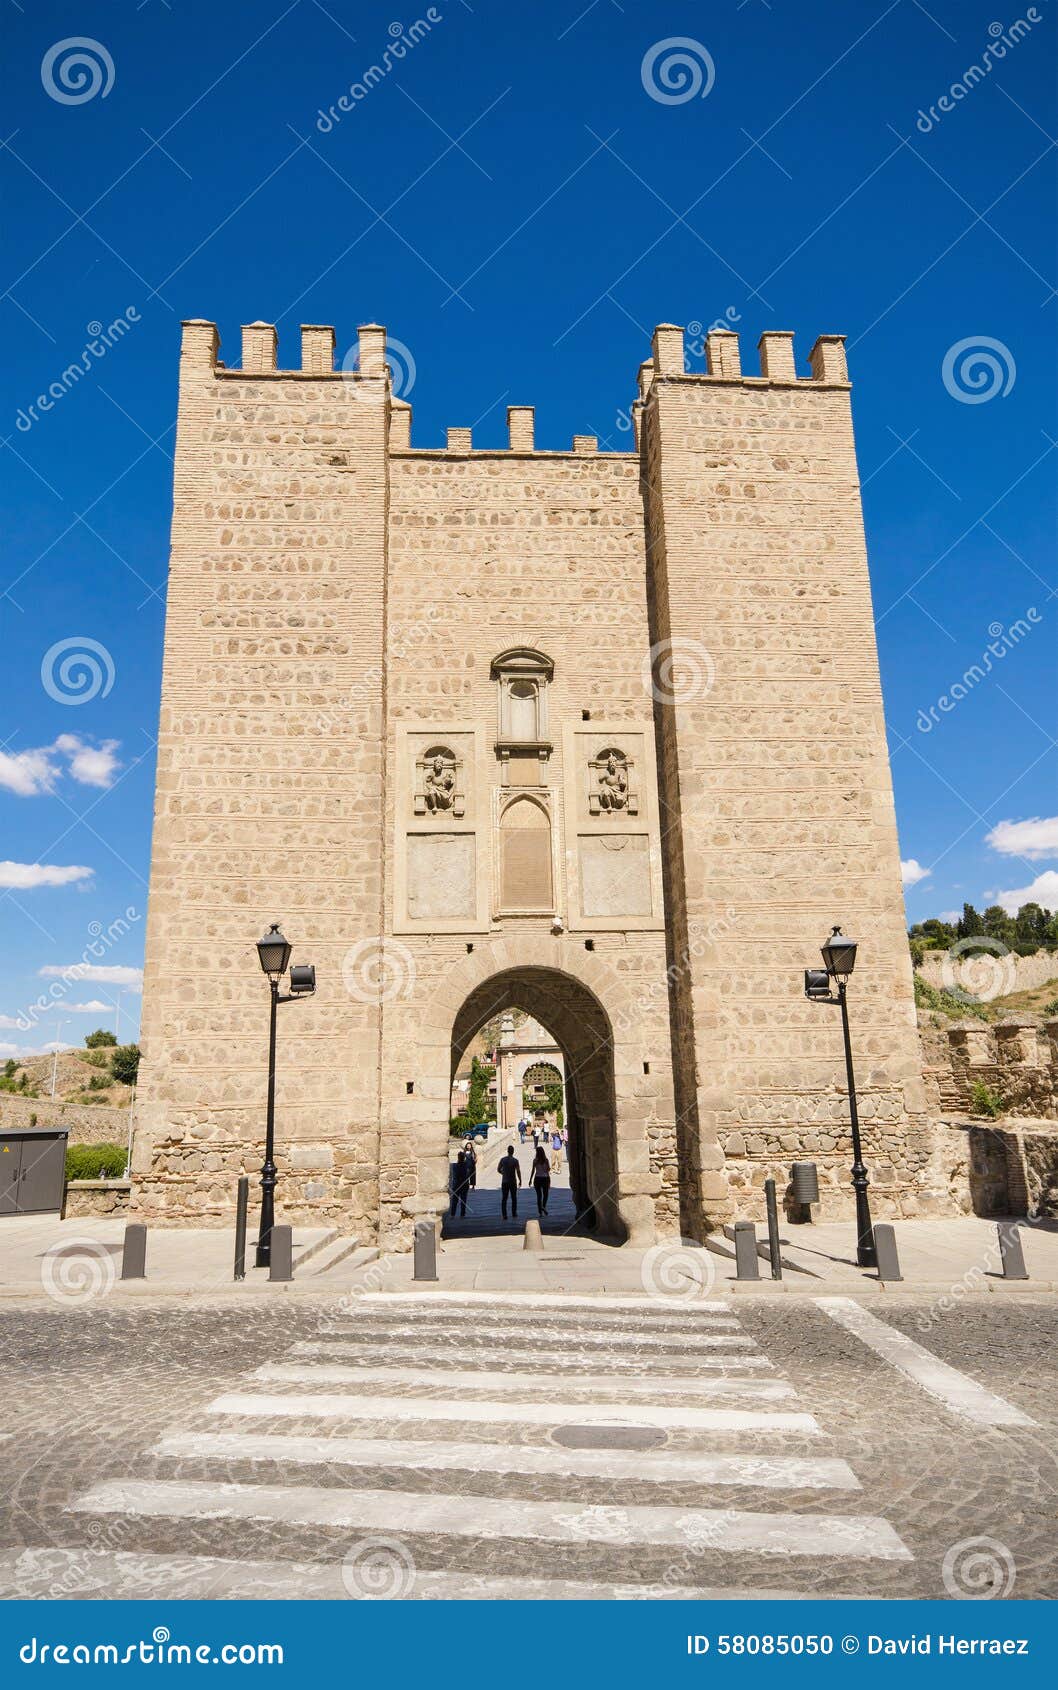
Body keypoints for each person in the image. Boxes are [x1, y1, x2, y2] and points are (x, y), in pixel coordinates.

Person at [497, 1143, 522, 1219]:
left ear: (507, 1151)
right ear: (513, 1151)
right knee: (514, 1198)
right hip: (512, 1181)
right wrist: (520, 1180)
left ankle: (504, 1215)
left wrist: (503, 1173)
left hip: (504, 1181)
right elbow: (518, 1171)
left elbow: (498, 1169)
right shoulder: (515, 1161)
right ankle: (514, 1213)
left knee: (504, 1198)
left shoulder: (503, 1159)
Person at [530, 1144, 551, 1216]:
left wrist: (530, 1179)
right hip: (545, 1178)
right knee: (546, 1195)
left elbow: (533, 1170)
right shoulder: (546, 1160)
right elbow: (548, 1170)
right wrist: (549, 1181)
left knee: (539, 1196)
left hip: (537, 1178)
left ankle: (540, 1212)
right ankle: (543, 1207)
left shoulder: (535, 1160)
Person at [449, 1149, 471, 1218]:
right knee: (463, 1200)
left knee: (455, 1201)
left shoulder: (454, 1166)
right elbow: (470, 1162)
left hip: (456, 1185)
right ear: (464, 1157)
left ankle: (453, 1214)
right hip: (464, 1184)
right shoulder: (466, 1165)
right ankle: (462, 1214)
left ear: (458, 1157)